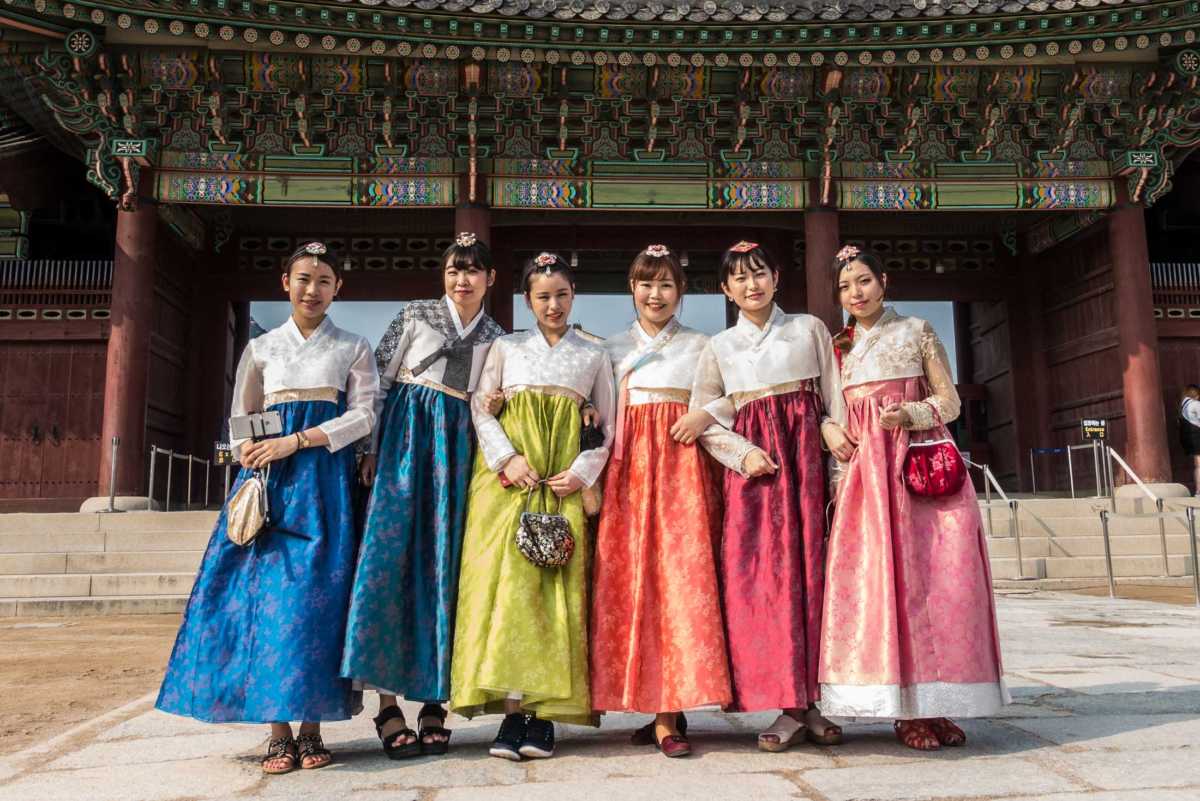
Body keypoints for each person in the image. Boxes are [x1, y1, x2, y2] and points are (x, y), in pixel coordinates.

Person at [156, 242, 379, 774]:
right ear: (285, 282)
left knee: (315, 604)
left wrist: (297, 441)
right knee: (267, 603)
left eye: (324, 280)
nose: (313, 289)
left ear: (337, 289)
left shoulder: (353, 345)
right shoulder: (262, 349)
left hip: (324, 487)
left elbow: (366, 414)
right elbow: (241, 420)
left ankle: (312, 726)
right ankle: (277, 731)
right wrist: (249, 452)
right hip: (269, 487)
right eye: (304, 278)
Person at [819, 245, 1009, 751]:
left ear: (884, 280)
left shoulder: (916, 331)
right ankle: (902, 710)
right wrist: (830, 434)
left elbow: (948, 401)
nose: (854, 293)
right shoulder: (837, 347)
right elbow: (829, 410)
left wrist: (910, 414)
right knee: (883, 588)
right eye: (844, 287)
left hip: (920, 471)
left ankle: (940, 702)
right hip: (866, 478)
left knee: (940, 584)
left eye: (863, 281)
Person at [341, 233, 505, 759]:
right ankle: (386, 706)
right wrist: (369, 447)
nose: (463, 280)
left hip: (460, 450)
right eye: (455, 270)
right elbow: (380, 384)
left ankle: (436, 702)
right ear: (443, 276)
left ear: (490, 280)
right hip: (406, 444)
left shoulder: (497, 336)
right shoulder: (413, 316)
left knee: (448, 569)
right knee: (389, 565)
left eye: (474, 271)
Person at [450, 252, 616, 761]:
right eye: (543, 296)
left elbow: (608, 426)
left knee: (552, 597)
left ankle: (542, 716)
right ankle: (510, 710)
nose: (553, 305)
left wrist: (583, 471)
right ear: (527, 300)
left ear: (573, 296)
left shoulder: (593, 353)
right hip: (508, 484)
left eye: (562, 295)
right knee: (506, 594)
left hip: (560, 486)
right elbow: (482, 407)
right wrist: (508, 458)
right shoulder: (505, 346)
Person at [591, 245, 749, 758]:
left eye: (665, 285)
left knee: (680, 585)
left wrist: (703, 415)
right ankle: (649, 700)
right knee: (631, 583)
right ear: (631, 290)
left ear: (681, 291)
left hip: (682, 468)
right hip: (627, 473)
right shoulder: (610, 347)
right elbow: (595, 407)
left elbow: (738, 393)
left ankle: (669, 709)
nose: (655, 295)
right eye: (645, 284)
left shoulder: (705, 345)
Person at [690, 241, 846, 752]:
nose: (751, 285)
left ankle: (811, 703)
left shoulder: (809, 328)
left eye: (759, 274)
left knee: (814, 578)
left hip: (806, 467)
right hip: (758, 475)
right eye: (739, 278)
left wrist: (831, 437)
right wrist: (742, 454)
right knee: (764, 584)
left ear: (776, 277)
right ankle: (785, 701)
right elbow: (706, 417)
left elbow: (835, 395)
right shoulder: (719, 347)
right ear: (725, 289)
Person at [1179, 385, 1200, 496]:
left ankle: (1198, 490)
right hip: (1197, 437)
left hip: (1189, 439)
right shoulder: (1196, 405)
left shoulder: (1182, 407)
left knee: (1197, 466)